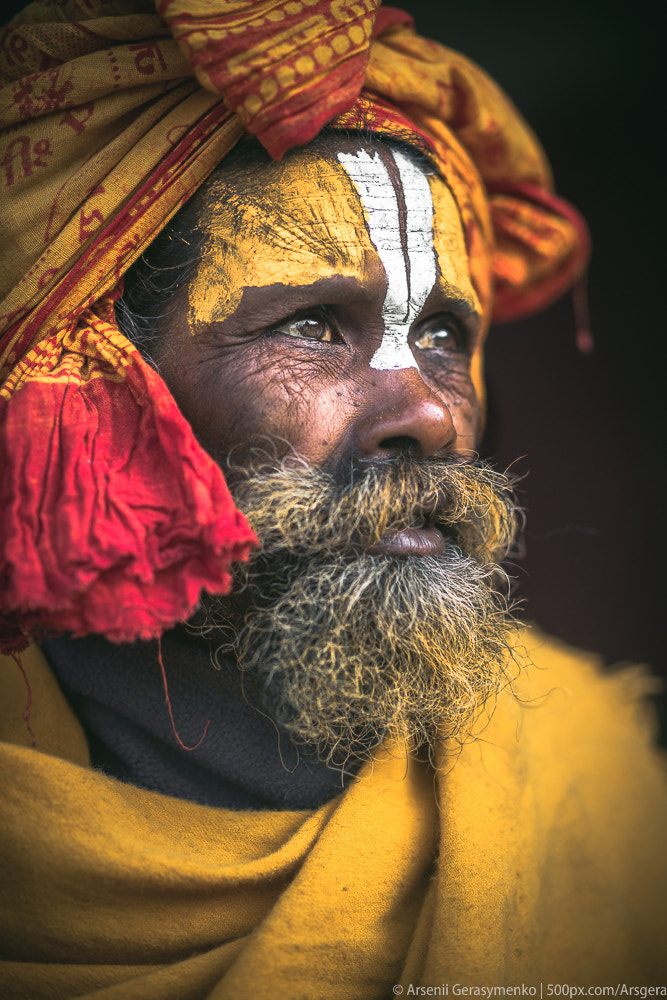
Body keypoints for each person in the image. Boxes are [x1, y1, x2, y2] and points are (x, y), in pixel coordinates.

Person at [0, 1, 665, 997]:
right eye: (313, 325)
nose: (431, 417)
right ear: (95, 376)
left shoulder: (604, 793)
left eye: (444, 335)